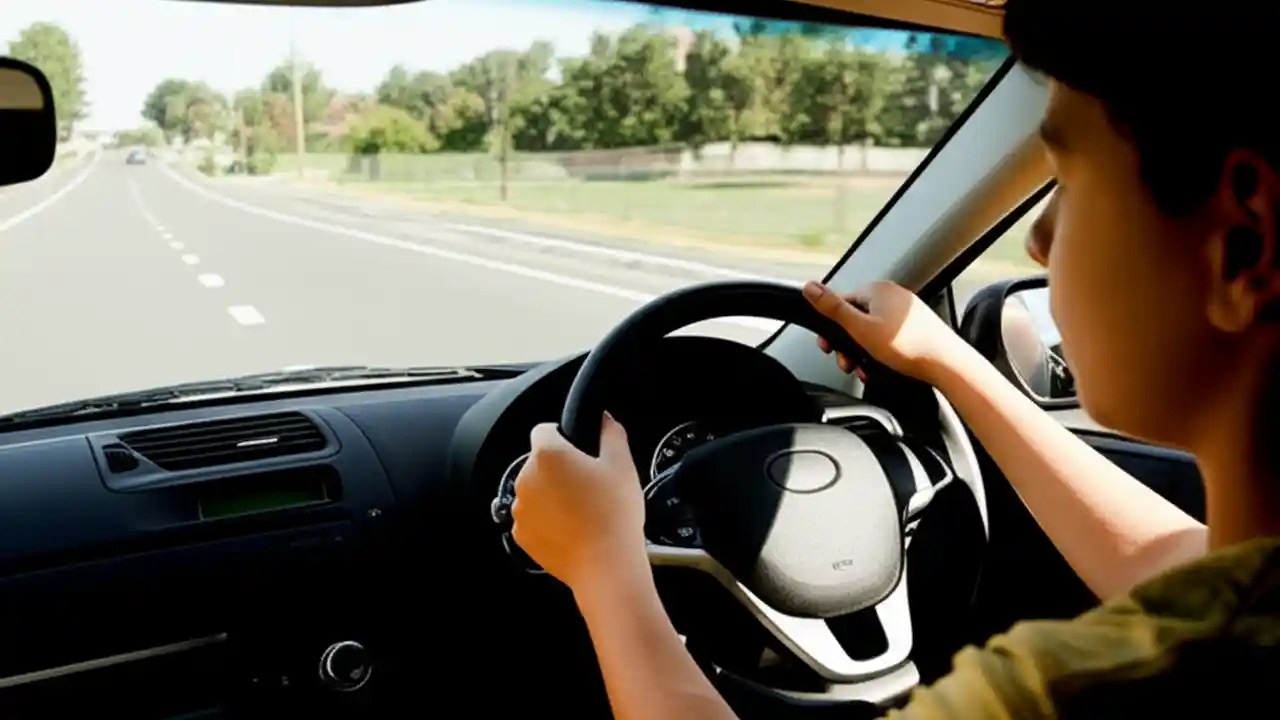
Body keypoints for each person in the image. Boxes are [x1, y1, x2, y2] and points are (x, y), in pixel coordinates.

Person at [508, 1, 1280, 716]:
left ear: (1245, 246)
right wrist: (950, 362)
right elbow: (1178, 564)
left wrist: (607, 565)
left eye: (1069, 182)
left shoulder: (1068, 690)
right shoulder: (1239, 608)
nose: (1038, 242)